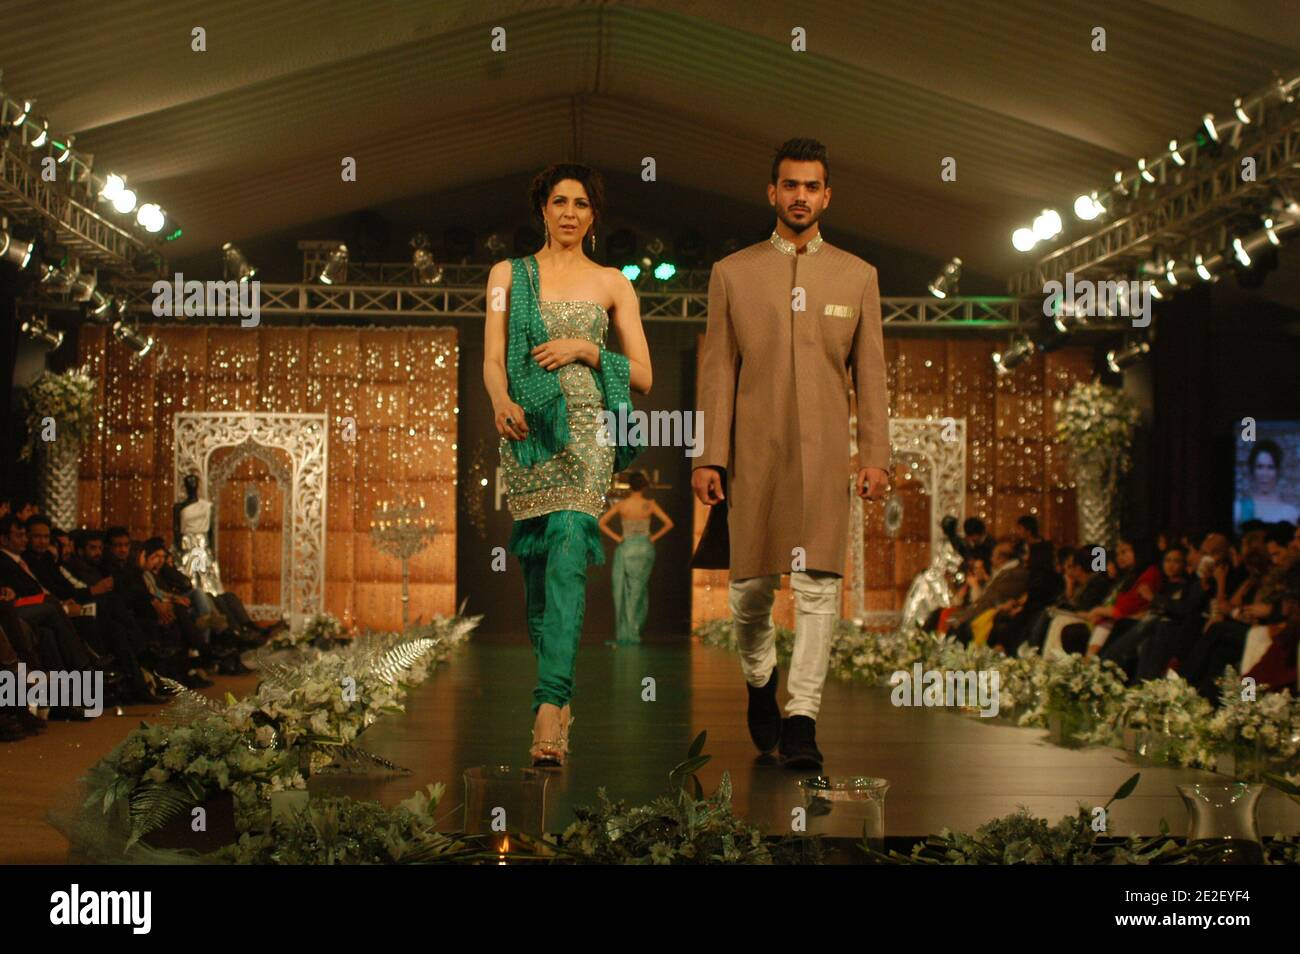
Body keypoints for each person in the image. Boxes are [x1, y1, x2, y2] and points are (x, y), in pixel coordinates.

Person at [691, 137, 891, 770]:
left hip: (827, 455)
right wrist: (708, 456)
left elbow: (873, 375)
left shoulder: (858, 276)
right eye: (790, 185)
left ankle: (802, 718)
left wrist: (876, 454)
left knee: (817, 589)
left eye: (812, 186)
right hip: (754, 455)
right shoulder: (734, 272)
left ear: (826, 195)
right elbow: (718, 369)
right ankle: (760, 684)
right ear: (772, 193)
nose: (800, 196)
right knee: (750, 593)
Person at [485, 162, 651, 767]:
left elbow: (644, 374)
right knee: (535, 567)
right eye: (559, 201)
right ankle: (554, 688)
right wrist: (501, 400)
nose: (570, 212)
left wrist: (587, 347)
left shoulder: (613, 283)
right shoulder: (508, 275)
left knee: (568, 543)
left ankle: (550, 706)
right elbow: (492, 359)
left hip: (589, 431)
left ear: (593, 214)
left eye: (582, 203)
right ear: (543, 209)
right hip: (528, 430)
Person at [598, 471, 673, 645]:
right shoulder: (649, 504)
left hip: (627, 548)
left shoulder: (622, 505)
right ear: (645, 486)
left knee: (625, 590)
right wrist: (652, 538)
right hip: (645, 548)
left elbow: (601, 523)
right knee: (639, 590)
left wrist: (619, 538)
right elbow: (669, 523)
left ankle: (628, 633)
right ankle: (634, 631)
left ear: (629, 486)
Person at [1235, 440, 1299, 529]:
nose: (1264, 474)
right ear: (1252, 470)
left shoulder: (1290, 513)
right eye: (1259, 467)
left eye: (1270, 467)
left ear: (1278, 471)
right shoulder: (1239, 509)